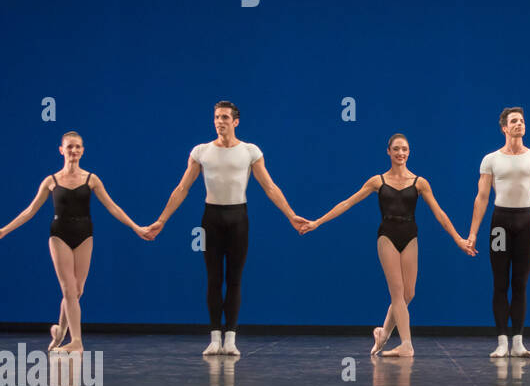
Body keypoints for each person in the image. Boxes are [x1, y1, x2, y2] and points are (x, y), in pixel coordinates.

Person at [146, 101, 307, 356]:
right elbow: (182, 189)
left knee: (234, 279)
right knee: (213, 278)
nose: (219, 121)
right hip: (211, 218)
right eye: (216, 117)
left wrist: (290, 215)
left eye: (224, 117)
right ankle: (214, 338)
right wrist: (162, 220)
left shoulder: (250, 151)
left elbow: (270, 187)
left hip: (238, 218)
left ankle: (230, 339)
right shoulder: (201, 151)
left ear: (235, 121)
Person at [298, 133, 475, 356]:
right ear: (388, 152)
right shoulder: (377, 181)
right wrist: (317, 222)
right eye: (396, 149)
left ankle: (383, 333)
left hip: (410, 235)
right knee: (397, 292)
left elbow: (439, 213)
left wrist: (458, 238)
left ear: (409, 152)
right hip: (387, 236)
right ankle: (407, 345)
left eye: (405, 149)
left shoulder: (419, 182)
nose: (401, 153)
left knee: (409, 293)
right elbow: (347, 202)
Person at [0, 131, 152, 352]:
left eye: (78, 147)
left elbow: (113, 207)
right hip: (59, 234)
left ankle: (60, 331)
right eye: (69, 147)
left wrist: (136, 227)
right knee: (68, 289)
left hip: (84, 234)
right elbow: (30, 211)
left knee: (77, 290)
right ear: (61, 150)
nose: (74, 151)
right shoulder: (51, 181)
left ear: (83, 150)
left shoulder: (91, 179)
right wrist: (4, 230)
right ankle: (77, 342)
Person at [467, 107, 530, 358]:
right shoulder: (491, 159)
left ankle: (518, 342)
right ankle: (502, 341)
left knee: (520, 284)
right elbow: (481, 198)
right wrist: (472, 234)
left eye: (522, 121)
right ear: (504, 127)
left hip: (526, 222)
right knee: (500, 282)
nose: (519, 124)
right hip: (500, 223)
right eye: (514, 121)